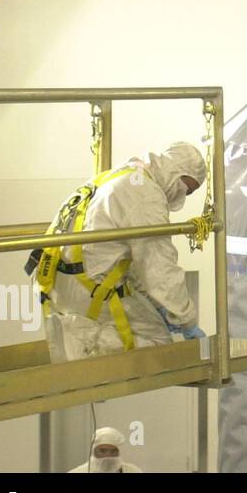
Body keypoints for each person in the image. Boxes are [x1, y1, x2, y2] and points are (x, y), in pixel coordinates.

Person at [32, 142, 208, 361]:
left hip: (58, 280)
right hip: (87, 288)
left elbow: (129, 261)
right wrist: (187, 321)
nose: (183, 196)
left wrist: (157, 306)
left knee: (147, 320)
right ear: (176, 170)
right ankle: (82, 342)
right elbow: (160, 268)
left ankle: (76, 337)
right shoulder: (147, 196)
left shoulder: (124, 175)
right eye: (186, 188)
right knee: (159, 346)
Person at [69, 427, 142, 473]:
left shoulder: (132, 471)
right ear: (93, 451)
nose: (108, 455)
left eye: (113, 451)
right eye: (103, 451)